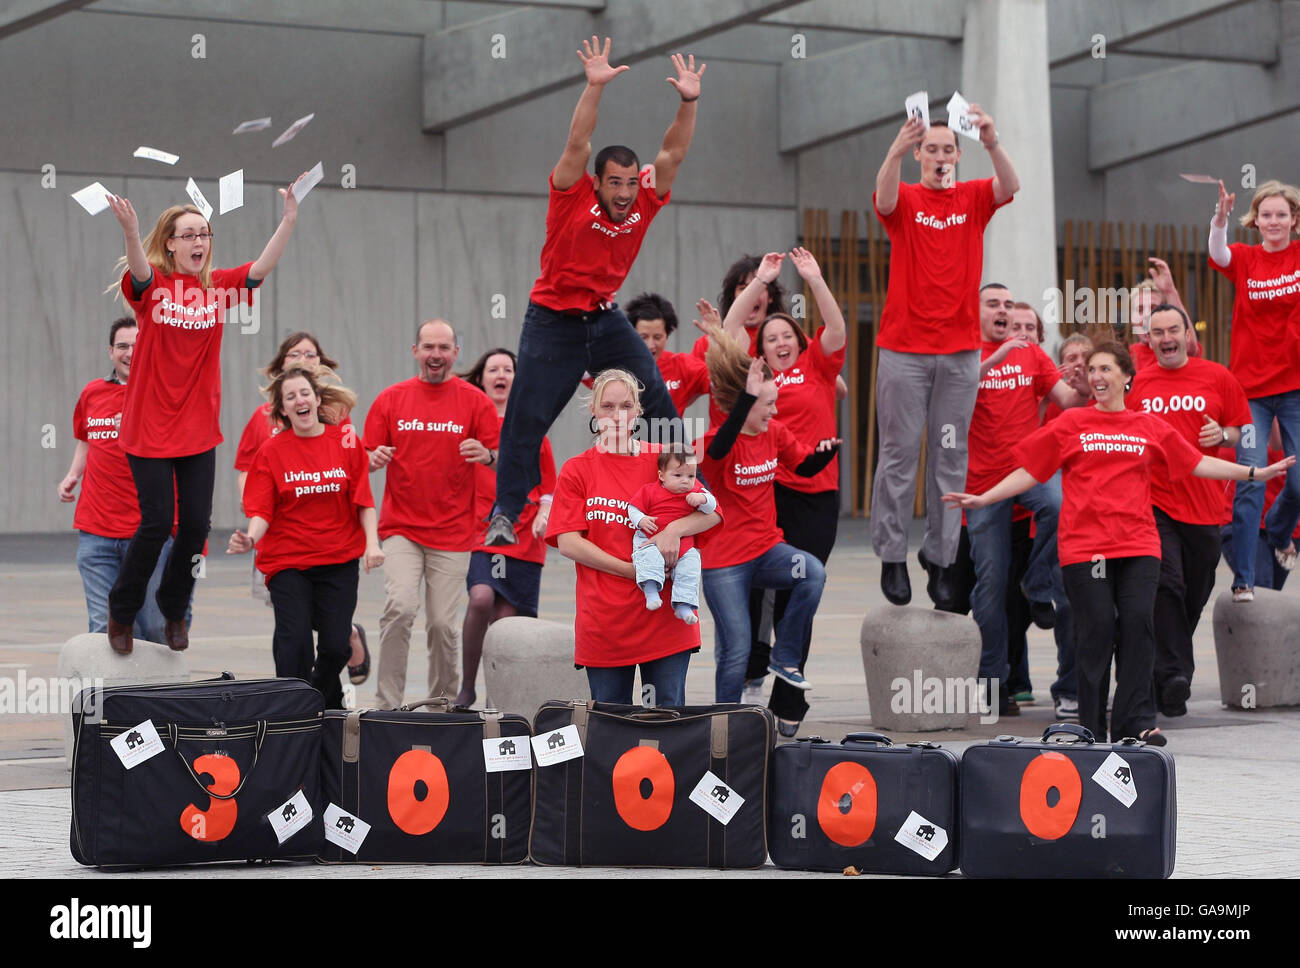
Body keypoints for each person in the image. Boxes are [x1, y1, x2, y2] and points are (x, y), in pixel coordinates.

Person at [945, 342, 1293, 746]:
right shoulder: (1071, 423)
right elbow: (1031, 470)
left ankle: (1136, 721)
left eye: (1106, 369)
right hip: (1085, 548)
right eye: (1092, 370)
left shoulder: (1146, 425)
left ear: (1127, 377)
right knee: (1096, 631)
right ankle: (1091, 726)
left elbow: (1197, 462)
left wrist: (1255, 473)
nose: (1096, 377)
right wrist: (984, 497)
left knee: (1137, 629)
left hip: (1139, 545)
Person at [486, 37, 706, 545]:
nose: (626, 194)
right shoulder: (571, 193)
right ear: (598, 182)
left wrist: (688, 101)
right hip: (551, 320)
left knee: (658, 402)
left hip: (605, 319)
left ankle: (686, 488)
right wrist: (594, 87)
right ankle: (506, 510)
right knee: (527, 416)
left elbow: (672, 150)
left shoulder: (645, 199)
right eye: (616, 184)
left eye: (632, 183)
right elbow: (578, 143)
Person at [101, 175, 305, 655]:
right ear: (170, 245)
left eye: (205, 234)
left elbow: (261, 268)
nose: (199, 241)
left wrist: (290, 218)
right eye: (188, 234)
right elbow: (138, 269)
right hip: (148, 427)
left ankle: (175, 609)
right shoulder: (154, 288)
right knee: (156, 523)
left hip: (195, 430)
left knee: (194, 526)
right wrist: (131, 231)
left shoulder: (217, 289)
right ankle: (123, 611)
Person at [871, 112, 1020, 607]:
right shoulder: (907, 199)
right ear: (919, 154)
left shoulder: (974, 197)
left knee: (950, 458)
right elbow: (885, 197)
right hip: (903, 350)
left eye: (946, 149)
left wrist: (992, 140)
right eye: (929, 149)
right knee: (899, 453)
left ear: (958, 154)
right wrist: (895, 147)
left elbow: (1011, 184)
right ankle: (893, 555)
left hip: (959, 354)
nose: (938, 156)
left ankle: (940, 557)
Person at [722, 248, 846, 725]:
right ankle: (751, 673)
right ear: (762, 350)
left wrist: (813, 277)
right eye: (770, 337)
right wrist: (762, 281)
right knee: (755, 582)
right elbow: (730, 330)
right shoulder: (755, 375)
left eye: (786, 334)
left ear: (798, 340)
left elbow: (835, 329)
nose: (779, 341)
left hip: (816, 496)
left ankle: (788, 696)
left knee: (802, 589)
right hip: (767, 492)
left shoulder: (819, 366)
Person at [546, 369, 721, 706]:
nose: (616, 415)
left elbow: (711, 513)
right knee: (610, 728)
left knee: (667, 724)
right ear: (594, 411)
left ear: (638, 411)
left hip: (665, 620)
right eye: (608, 406)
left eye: (626, 406)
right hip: (606, 622)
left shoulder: (662, 459)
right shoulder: (577, 469)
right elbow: (568, 541)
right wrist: (630, 570)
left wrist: (673, 530)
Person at [700, 336, 838, 730]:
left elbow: (805, 467)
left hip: (766, 551)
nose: (776, 410)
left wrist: (824, 453)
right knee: (736, 649)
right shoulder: (715, 443)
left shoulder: (774, 434)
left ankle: (785, 657)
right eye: (769, 403)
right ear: (746, 405)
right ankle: (724, 726)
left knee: (812, 571)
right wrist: (745, 399)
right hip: (724, 563)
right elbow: (721, 449)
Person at [228, 367, 382, 708]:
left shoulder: (344, 442)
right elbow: (262, 512)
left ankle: (314, 701)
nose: (300, 400)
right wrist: (250, 539)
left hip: (339, 560)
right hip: (288, 562)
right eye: (290, 397)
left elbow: (364, 501)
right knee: (294, 640)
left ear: (316, 398)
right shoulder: (272, 451)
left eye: (304, 393)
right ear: (282, 409)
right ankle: (294, 713)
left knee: (335, 646)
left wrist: (372, 543)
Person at [966, 286, 1088, 718]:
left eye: (1007, 304)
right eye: (994, 305)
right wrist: (996, 358)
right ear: (976, 311)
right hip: (982, 483)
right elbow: (953, 398)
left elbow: (1068, 402)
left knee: (1055, 503)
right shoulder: (965, 352)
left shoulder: (1032, 355)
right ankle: (992, 681)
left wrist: (1082, 387)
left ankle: (1037, 584)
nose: (1002, 311)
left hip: (1030, 467)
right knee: (990, 586)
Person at [364, 320, 500, 708]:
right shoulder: (391, 398)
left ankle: (442, 704)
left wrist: (487, 455)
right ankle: (387, 705)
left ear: (456, 353)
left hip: (453, 532)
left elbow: (502, 459)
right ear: (415, 351)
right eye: (428, 347)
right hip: (401, 528)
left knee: (442, 624)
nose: (436, 354)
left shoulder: (475, 401)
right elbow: (363, 457)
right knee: (400, 608)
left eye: (443, 347)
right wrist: (372, 459)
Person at [1128, 305, 1252, 716]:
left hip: (1205, 506)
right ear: (1148, 339)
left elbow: (1240, 427)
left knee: (1194, 592)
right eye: (1157, 332)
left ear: (1186, 334)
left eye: (1173, 330)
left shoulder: (1218, 376)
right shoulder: (1139, 384)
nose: (1166, 338)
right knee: (1168, 585)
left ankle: (1163, 675)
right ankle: (1175, 674)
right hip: (1155, 500)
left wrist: (1225, 433)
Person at [59, 317, 189, 646]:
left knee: (153, 629)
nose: (130, 352)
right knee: (104, 628)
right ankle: (114, 699)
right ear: (111, 351)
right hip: (96, 532)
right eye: (123, 346)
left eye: (138, 345)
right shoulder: (92, 393)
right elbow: (86, 439)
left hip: (148, 533)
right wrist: (73, 474)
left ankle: (156, 697)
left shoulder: (165, 393)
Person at [1209, 179, 1300, 599]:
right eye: (1267, 214)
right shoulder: (1246, 258)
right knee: (1251, 478)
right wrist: (1220, 221)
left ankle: (1280, 534)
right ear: (1256, 220)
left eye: (1282, 214)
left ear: (1294, 219)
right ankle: (1243, 579)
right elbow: (1218, 253)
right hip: (1251, 391)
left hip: (1296, 386)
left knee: (1298, 484)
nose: (1275, 221)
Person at [456, 348, 555, 709]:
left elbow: (548, 483)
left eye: (508, 369)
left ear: (517, 378)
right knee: (480, 597)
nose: (501, 374)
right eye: (493, 369)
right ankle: (467, 687)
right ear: (481, 380)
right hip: (483, 532)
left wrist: (545, 513)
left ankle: (502, 703)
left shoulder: (530, 426)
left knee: (505, 621)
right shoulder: (469, 425)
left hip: (524, 533)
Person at [627, 447, 718, 623]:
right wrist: (641, 520)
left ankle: (684, 605)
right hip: (649, 538)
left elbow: (713, 508)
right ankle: (651, 591)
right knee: (647, 558)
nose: (685, 481)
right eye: (678, 476)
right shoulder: (650, 490)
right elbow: (633, 507)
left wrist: (703, 500)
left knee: (690, 567)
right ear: (662, 476)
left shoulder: (695, 492)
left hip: (684, 544)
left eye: (691, 476)